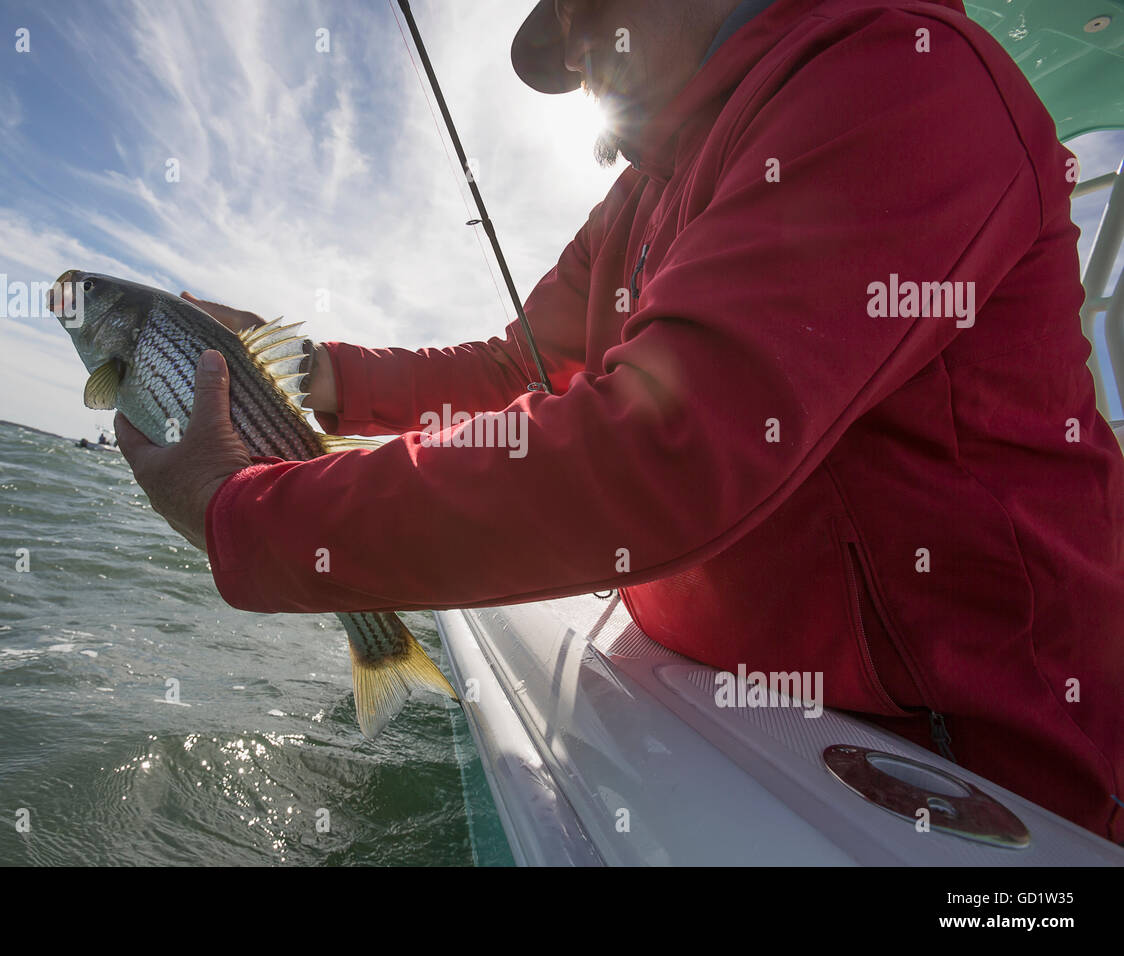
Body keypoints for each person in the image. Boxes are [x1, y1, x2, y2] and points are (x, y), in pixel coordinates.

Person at [116, 0, 1124, 841]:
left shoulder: (903, 75)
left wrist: (243, 513)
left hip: (991, 770)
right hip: (726, 714)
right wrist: (288, 367)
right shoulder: (640, 193)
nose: (584, 63)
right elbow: (512, 365)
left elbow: (665, 448)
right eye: (567, 50)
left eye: (591, 20)